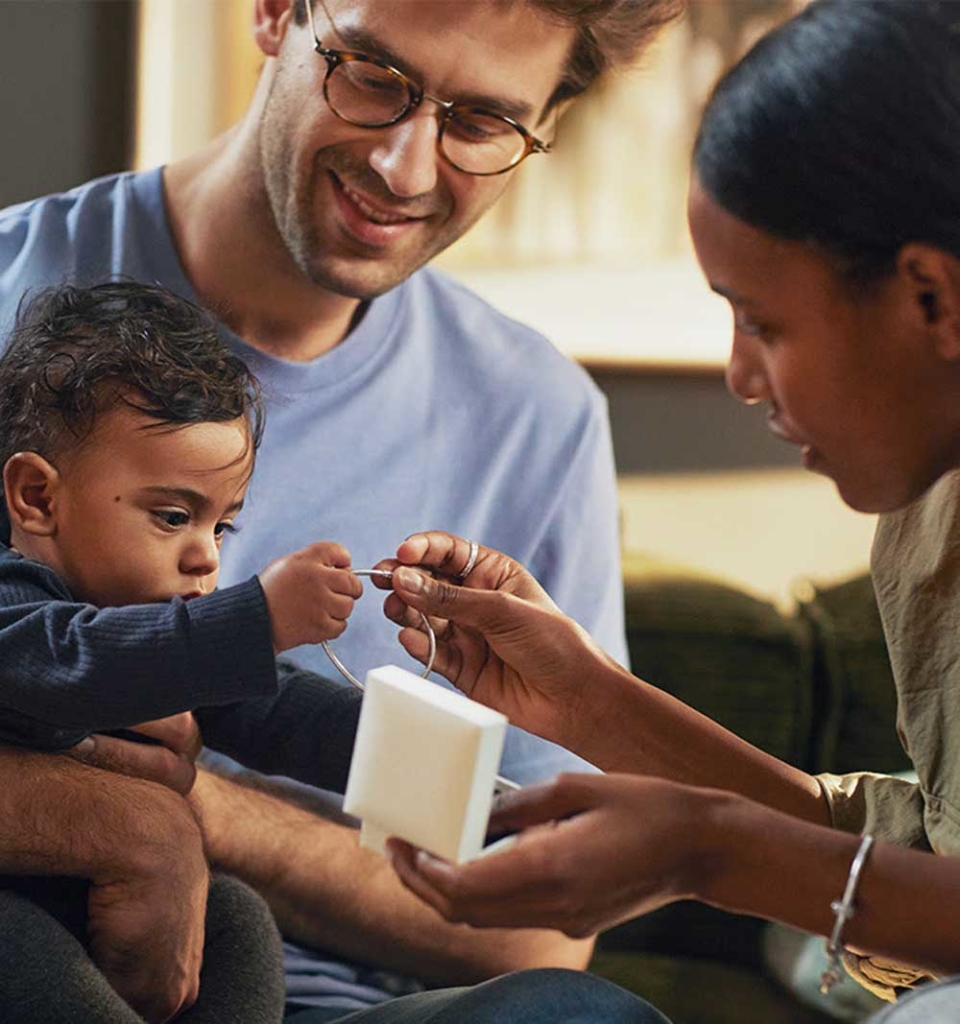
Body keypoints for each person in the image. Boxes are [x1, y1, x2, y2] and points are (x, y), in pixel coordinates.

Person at [0, 1, 685, 1016]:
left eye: (481, 122)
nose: (406, 168)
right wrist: (108, 829)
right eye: (373, 75)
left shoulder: (541, 419)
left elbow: (544, 925)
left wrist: (192, 809)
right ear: (276, 12)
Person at [378, 1, 960, 1020]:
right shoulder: (927, 508)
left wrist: (705, 847)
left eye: (762, 320)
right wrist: (587, 700)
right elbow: (927, 856)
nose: (740, 374)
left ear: (932, 298)